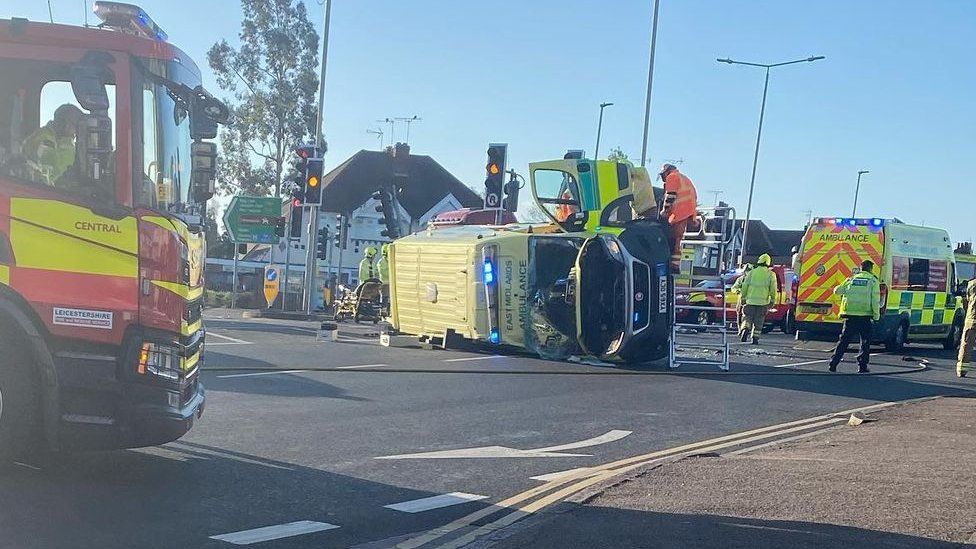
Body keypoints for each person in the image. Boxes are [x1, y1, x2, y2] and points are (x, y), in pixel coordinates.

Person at [828, 260, 882, 373]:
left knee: (843, 341)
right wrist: (876, 316)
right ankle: (862, 366)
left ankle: (833, 363)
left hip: (850, 316)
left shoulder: (851, 280)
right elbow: (875, 300)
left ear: (860, 268)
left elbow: (837, 291)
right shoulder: (872, 280)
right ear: (871, 269)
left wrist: (844, 284)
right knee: (865, 342)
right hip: (865, 316)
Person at [23, 104, 83, 185]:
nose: (77, 130)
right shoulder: (45, 139)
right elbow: (50, 176)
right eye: (75, 125)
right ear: (64, 123)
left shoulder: (62, 141)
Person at [659, 164, 699, 271]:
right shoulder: (685, 178)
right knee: (677, 240)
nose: (663, 179)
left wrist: (665, 211)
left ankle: (671, 263)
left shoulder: (672, 177)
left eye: (663, 175)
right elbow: (694, 196)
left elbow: (670, 196)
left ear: (667, 172)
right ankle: (675, 265)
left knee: (672, 237)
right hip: (687, 212)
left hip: (680, 211)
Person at [738, 254, 776, 344]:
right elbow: (773, 289)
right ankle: (755, 338)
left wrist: (743, 298)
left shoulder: (752, 272)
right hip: (763, 303)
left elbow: (745, 286)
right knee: (759, 321)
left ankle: (745, 329)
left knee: (747, 318)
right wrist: (772, 300)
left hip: (750, 301)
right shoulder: (771, 274)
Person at [956, 278, 976, 378]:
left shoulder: (971, 284)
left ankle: (961, 370)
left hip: (971, 320)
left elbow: (968, 299)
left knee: (966, 345)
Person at [730, 263, 753, 339]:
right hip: (741, 299)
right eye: (747, 271)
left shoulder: (754, 280)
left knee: (749, 316)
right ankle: (740, 330)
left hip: (751, 300)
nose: (747, 272)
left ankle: (746, 330)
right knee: (739, 315)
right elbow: (734, 288)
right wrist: (738, 290)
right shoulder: (741, 279)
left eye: (749, 271)